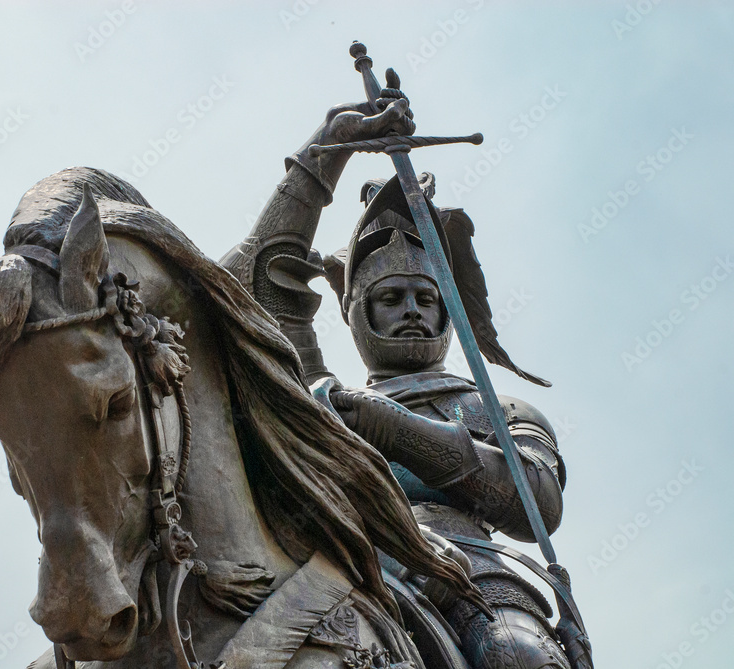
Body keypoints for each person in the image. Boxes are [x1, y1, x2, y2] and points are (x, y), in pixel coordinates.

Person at [221, 82, 573, 669]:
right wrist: (324, 153)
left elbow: (537, 503)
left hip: (466, 574)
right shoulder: (319, 397)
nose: (411, 309)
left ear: (445, 311)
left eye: (423, 297)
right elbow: (262, 285)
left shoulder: (498, 409)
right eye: (390, 297)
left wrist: (390, 427)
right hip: (334, 563)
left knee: (520, 658)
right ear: (357, 311)